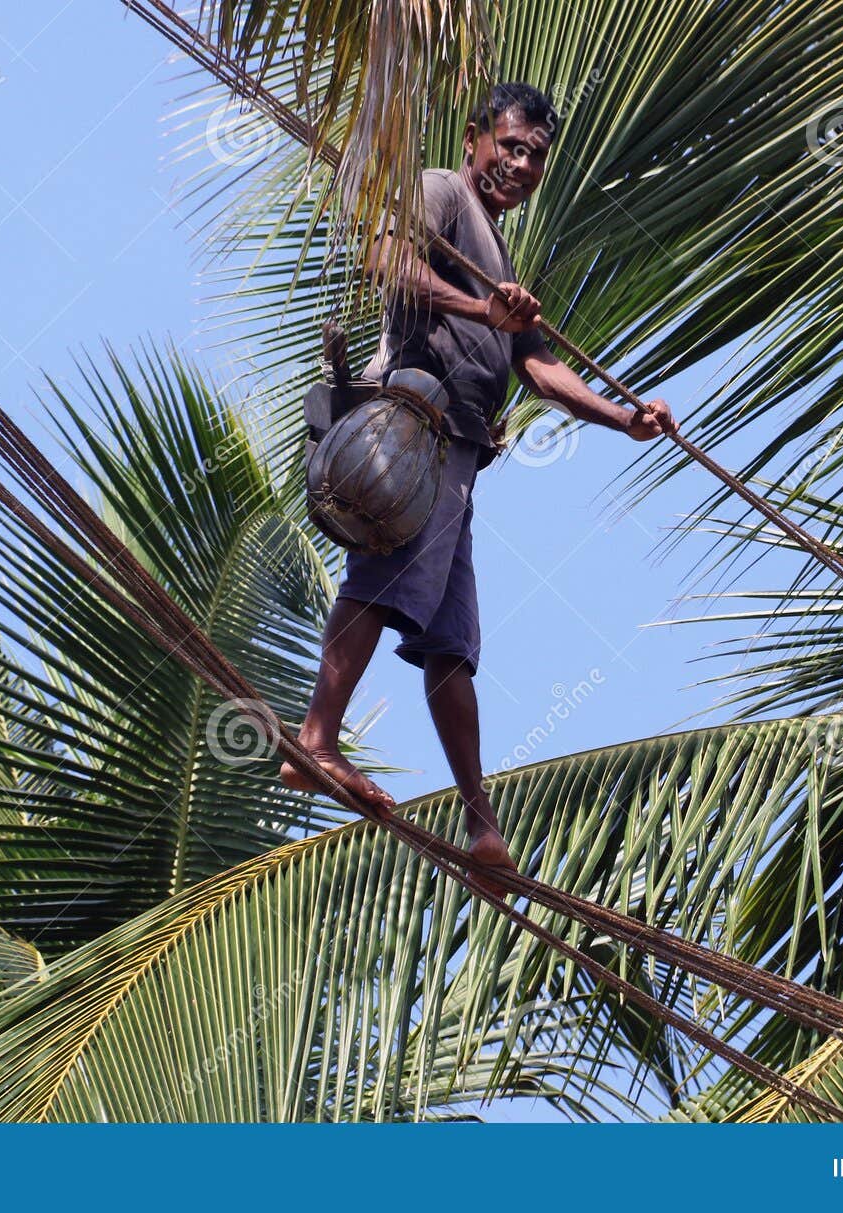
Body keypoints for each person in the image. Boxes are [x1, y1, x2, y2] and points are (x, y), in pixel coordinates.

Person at [280, 82, 676, 888]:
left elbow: (538, 367)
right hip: (412, 427)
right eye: (512, 145)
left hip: (458, 456)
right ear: (475, 140)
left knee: (454, 644)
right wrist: (477, 306)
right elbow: (384, 258)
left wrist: (622, 417)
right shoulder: (441, 193)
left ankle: (481, 824)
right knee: (385, 576)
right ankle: (316, 739)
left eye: (535, 155)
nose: (521, 164)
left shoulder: (501, 260)